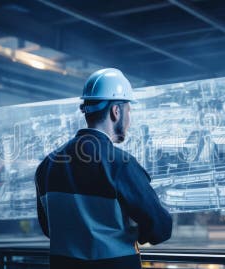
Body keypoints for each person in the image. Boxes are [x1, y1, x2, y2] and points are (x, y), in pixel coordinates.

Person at [35, 68, 172, 269]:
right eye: (129, 110)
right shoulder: (120, 164)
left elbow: (49, 229)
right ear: (116, 111)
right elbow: (160, 228)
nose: (129, 119)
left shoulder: (47, 166)